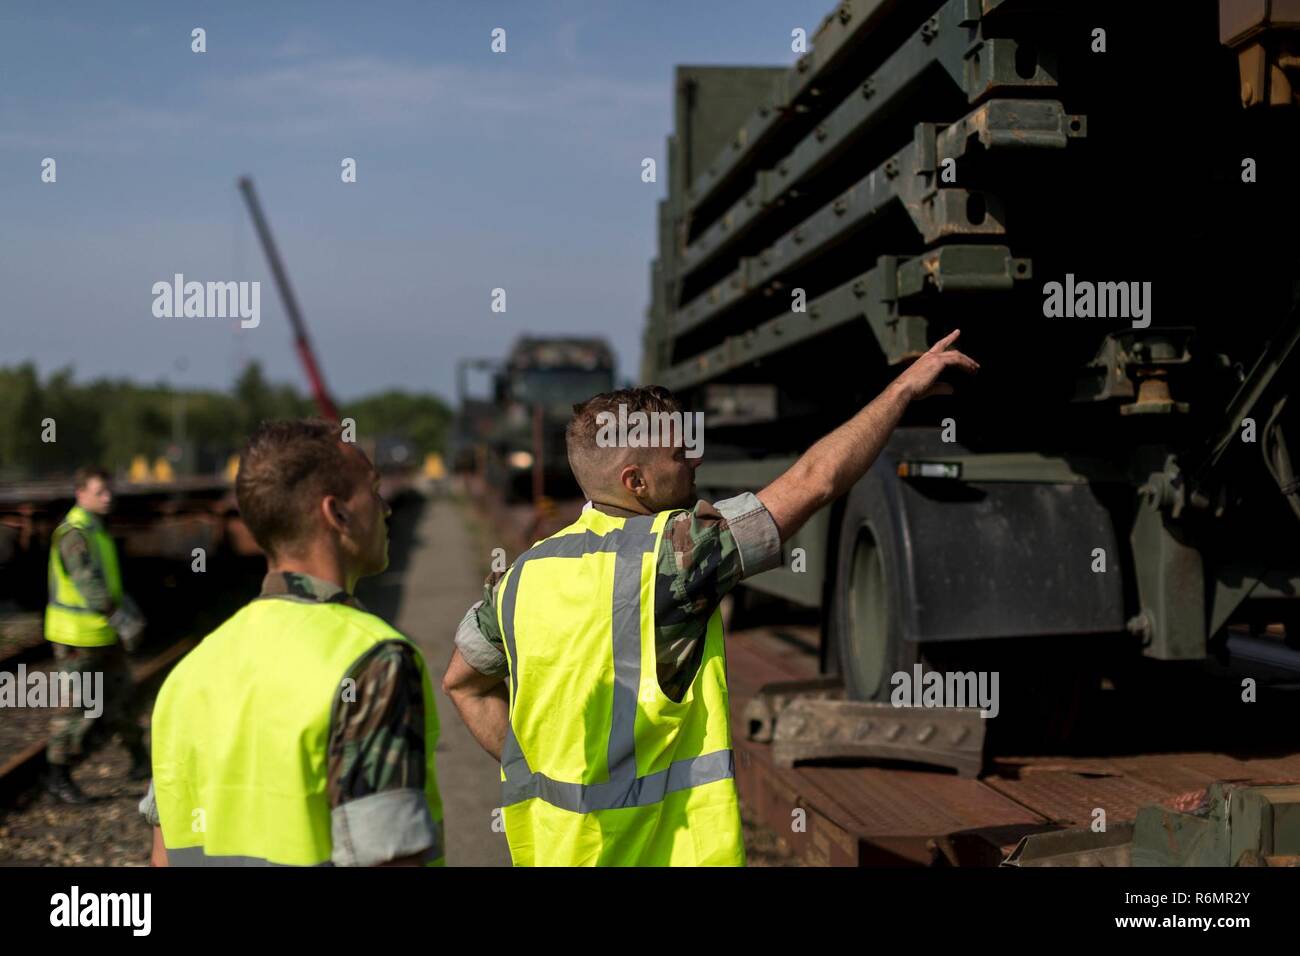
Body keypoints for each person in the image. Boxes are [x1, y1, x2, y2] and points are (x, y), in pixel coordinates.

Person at [443, 329, 978, 865]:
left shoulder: (521, 576)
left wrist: (530, 763)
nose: (695, 462)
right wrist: (902, 391)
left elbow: (462, 683)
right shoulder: (677, 555)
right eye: (679, 454)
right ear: (637, 482)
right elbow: (815, 481)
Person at [139, 419, 444, 866]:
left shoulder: (187, 675)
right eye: (373, 490)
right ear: (336, 513)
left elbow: (163, 858)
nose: (386, 508)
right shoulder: (373, 661)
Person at [44, 466, 148, 804]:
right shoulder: (75, 532)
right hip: (77, 638)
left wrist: (123, 615)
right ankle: (57, 776)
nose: (108, 497)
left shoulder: (95, 529)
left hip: (101, 635)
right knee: (77, 708)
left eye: (109, 491)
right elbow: (89, 585)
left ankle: (139, 760)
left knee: (122, 698)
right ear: (81, 494)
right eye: (100, 492)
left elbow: (109, 585)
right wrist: (123, 620)